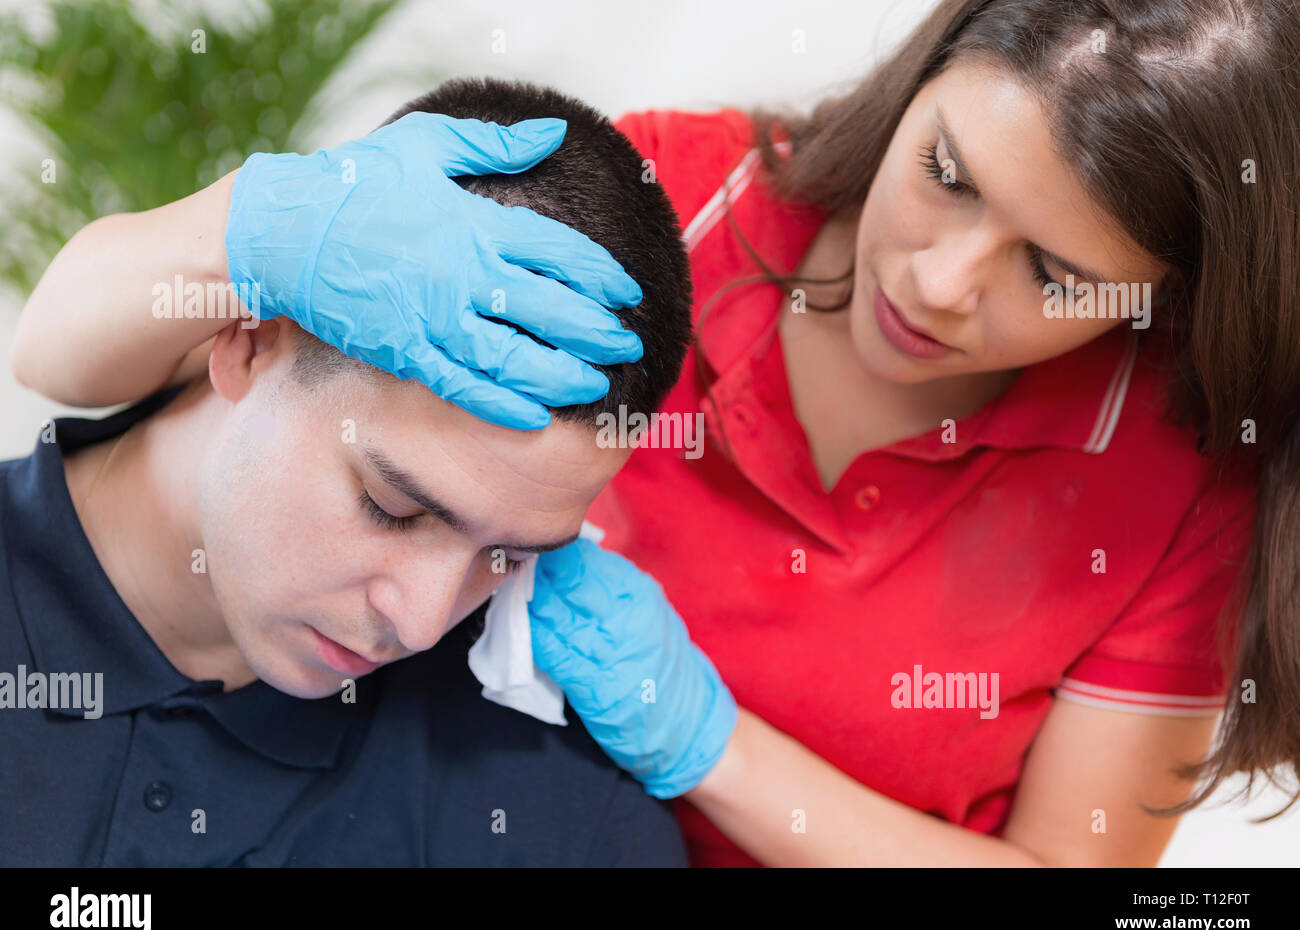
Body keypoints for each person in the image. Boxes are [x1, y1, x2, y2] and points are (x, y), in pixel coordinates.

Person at [15, 0, 1299, 867]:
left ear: (1165, 294)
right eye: (947, 173)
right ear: (922, 78)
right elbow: (119, 357)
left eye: (1056, 275)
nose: (942, 284)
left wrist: (714, 748)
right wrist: (254, 231)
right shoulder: (656, 209)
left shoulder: (1180, 483)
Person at [0, 78, 701, 866]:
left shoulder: (560, 825)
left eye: (508, 554)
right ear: (251, 339)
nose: (425, 621)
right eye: (391, 505)